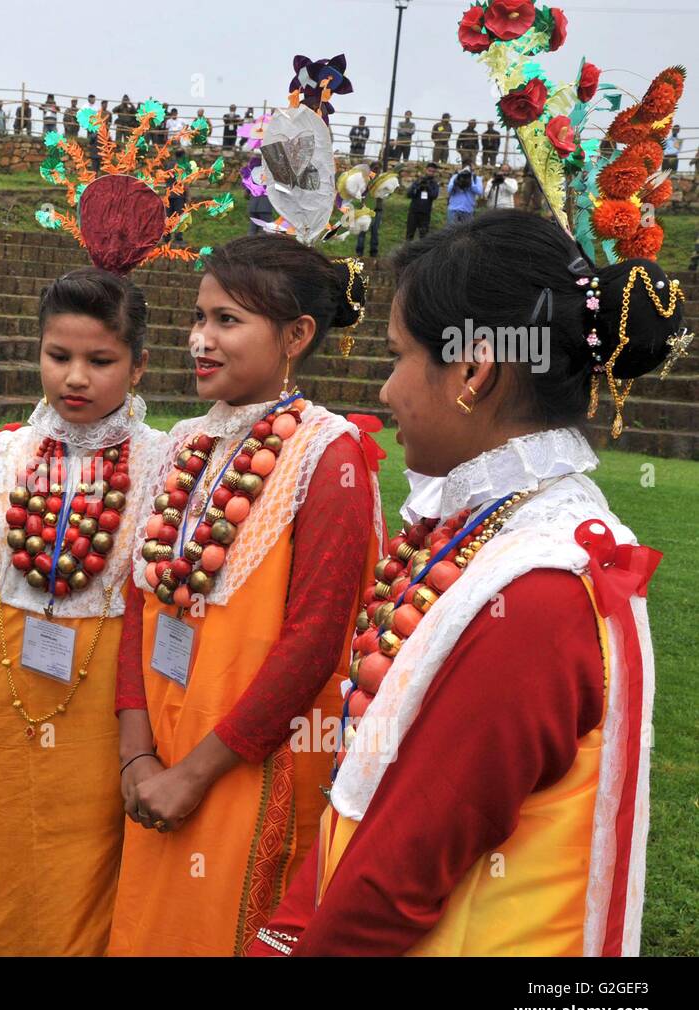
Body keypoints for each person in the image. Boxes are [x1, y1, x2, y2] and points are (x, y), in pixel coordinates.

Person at [253, 209, 681, 956]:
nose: (385, 392)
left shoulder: (539, 586)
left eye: (396, 357)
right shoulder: (484, 527)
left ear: (473, 372)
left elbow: (395, 879)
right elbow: (368, 802)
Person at [107, 237, 381, 956]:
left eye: (227, 320)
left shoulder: (330, 455)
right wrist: (138, 757)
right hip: (161, 753)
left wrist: (193, 776)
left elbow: (316, 643)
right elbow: (142, 601)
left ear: (296, 336)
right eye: (199, 317)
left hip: (246, 764)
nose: (200, 339)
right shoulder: (184, 443)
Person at [0, 269, 168, 956]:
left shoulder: (163, 466)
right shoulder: (0, 459)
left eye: (101, 360)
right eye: (58, 357)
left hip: (104, 731)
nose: (76, 379)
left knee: (84, 901)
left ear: (139, 365)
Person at [356, 162, 385, 258]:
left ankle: (374, 253)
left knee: (375, 232)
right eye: (375, 169)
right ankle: (359, 252)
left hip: (377, 210)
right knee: (362, 232)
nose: (376, 171)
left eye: (378, 169)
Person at [405, 162, 439, 239]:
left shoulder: (434, 184)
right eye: (429, 171)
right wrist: (417, 188)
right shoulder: (418, 181)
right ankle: (407, 250)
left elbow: (435, 196)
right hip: (414, 212)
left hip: (425, 213)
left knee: (424, 236)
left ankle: (422, 251)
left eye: (433, 172)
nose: (431, 173)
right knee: (409, 234)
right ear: (426, 170)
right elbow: (409, 194)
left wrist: (428, 188)